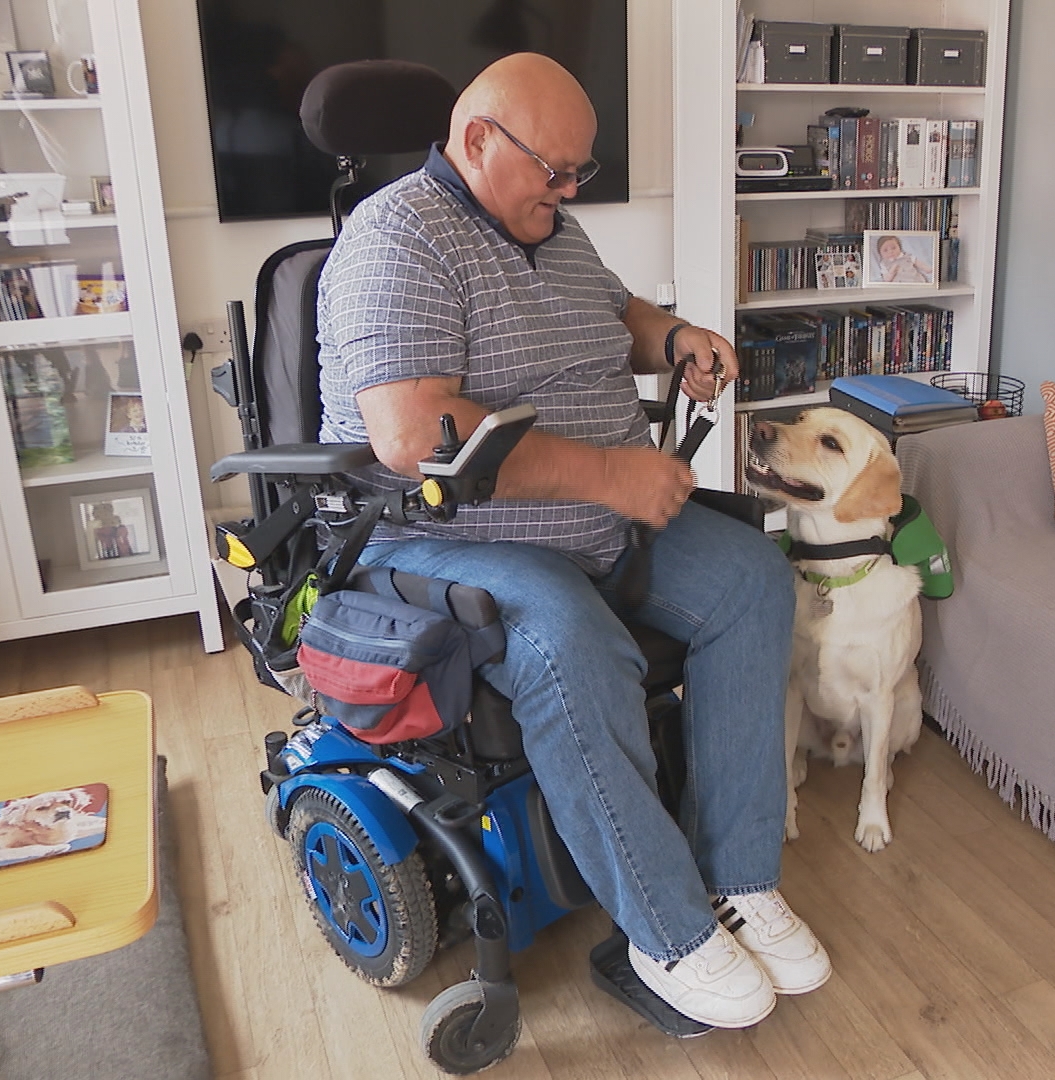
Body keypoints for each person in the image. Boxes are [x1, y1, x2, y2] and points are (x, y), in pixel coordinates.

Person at [316, 53, 828, 1030]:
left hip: (600, 524)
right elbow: (413, 431)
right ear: (477, 142)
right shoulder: (398, 238)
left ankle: (737, 878)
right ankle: (668, 931)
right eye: (555, 169)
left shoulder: (550, 226)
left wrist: (675, 337)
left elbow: (616, 316)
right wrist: (607, 474)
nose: (569, 189)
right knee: (563, 634)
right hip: (444, 537)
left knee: (753, 580)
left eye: (579, 173)